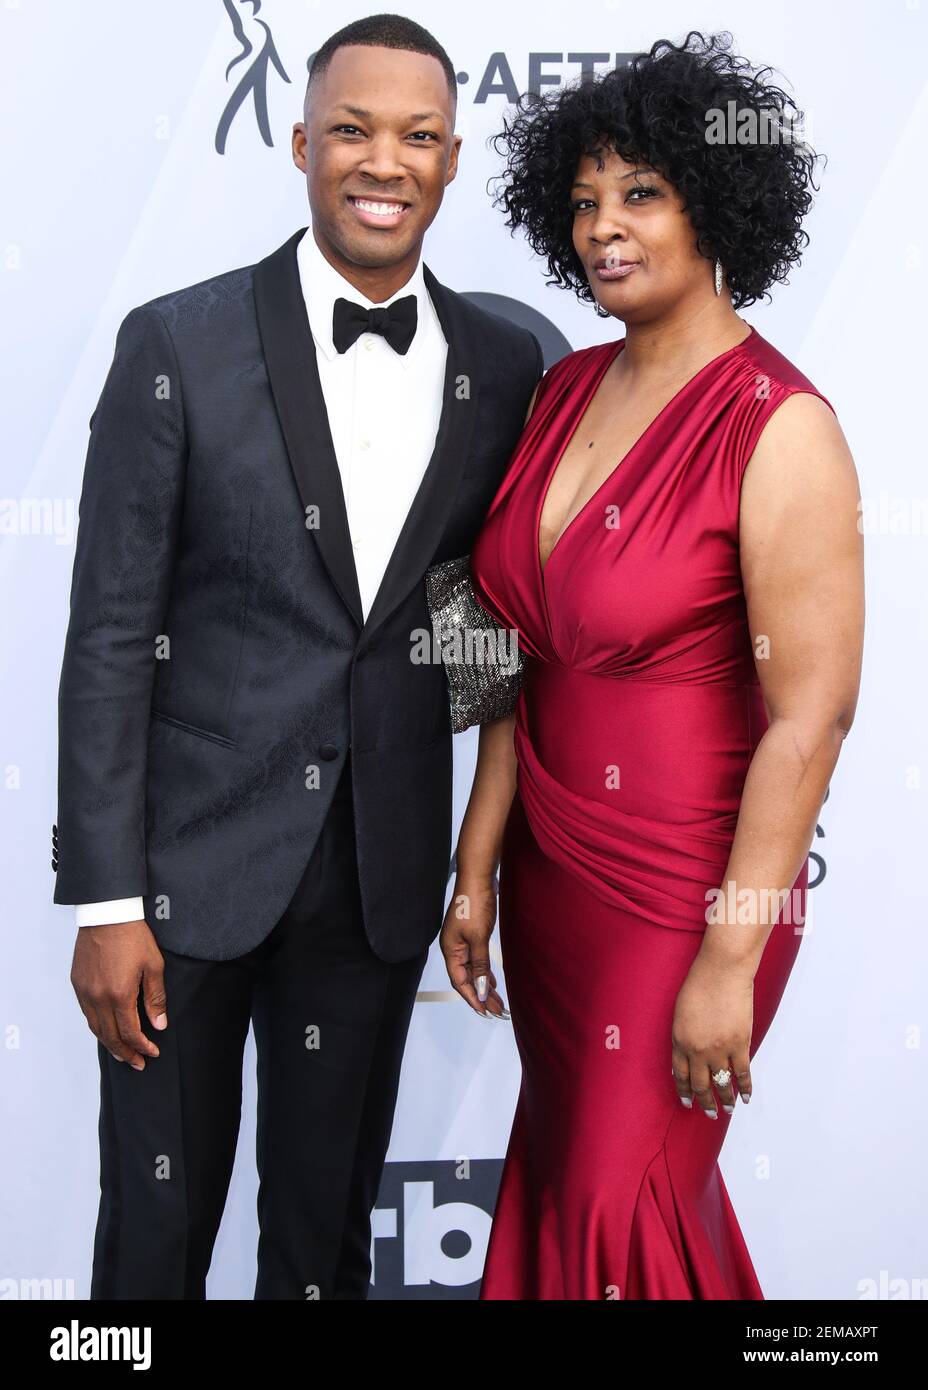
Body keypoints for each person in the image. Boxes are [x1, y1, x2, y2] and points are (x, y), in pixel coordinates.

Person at [54, 14, 542, 1300]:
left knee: (321, 1247)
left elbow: (476, 615)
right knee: (152, 1249)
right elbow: (109, 629)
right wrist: (106, 903)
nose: (384, 161)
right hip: (184, 886)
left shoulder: (506, 364)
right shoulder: (179, 345)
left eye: (418, 136)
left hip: (375, 883)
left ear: (450, 160)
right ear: (299, 143)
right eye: (353, 130)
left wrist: (476, 861)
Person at [441, 31, 864, 1299]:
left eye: (640, 194)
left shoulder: (779, 425)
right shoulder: (560, 389)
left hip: (686, 888)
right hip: (553, 870)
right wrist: (474, 864)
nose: (601, 229)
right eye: (580, 202)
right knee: (584, 1181)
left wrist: (731, 955)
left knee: (617, 1194)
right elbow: (506, 647)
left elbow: (812, 719)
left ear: (713, 204)